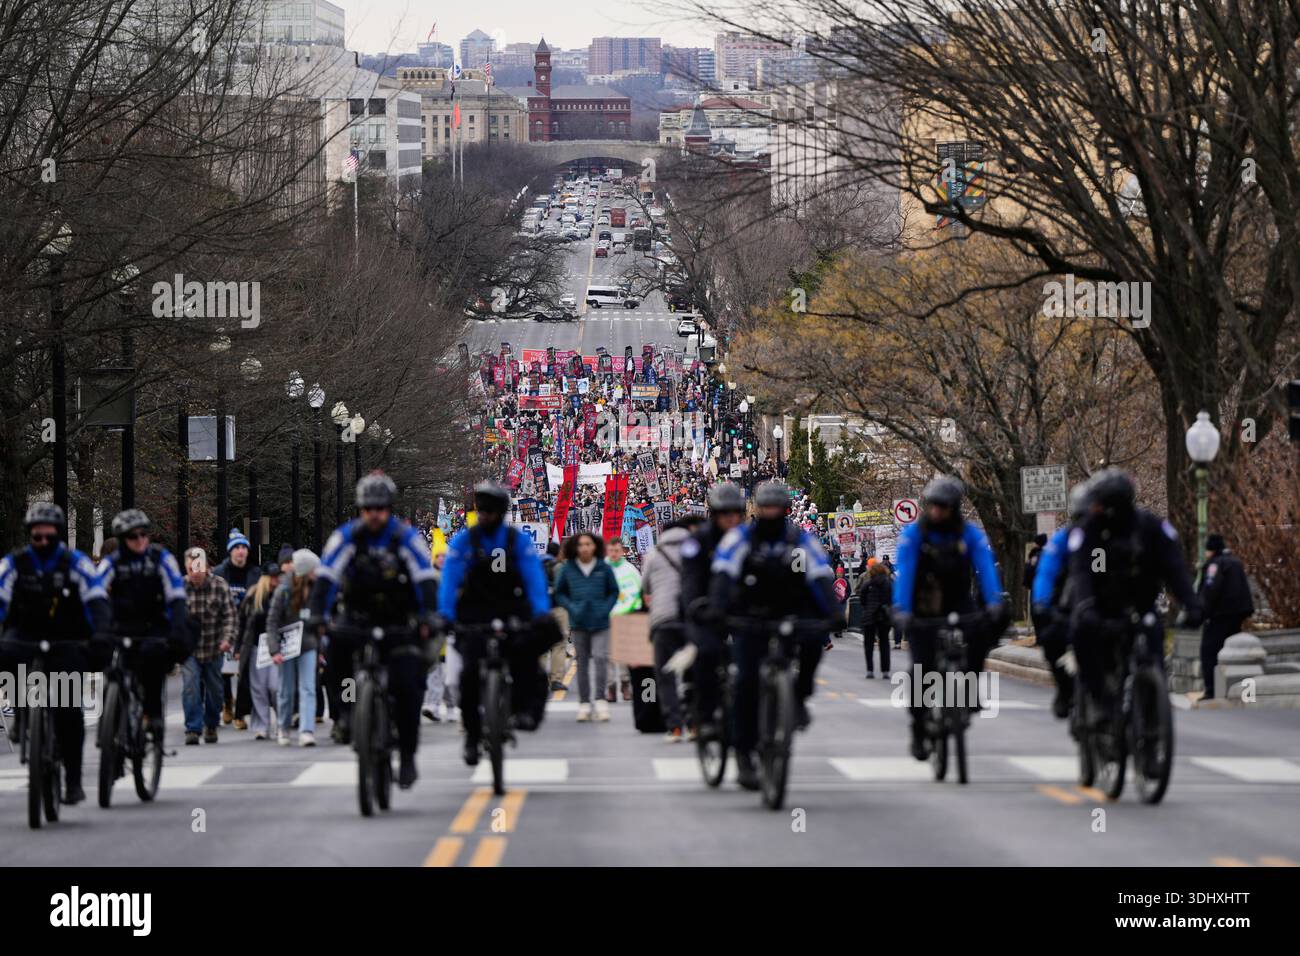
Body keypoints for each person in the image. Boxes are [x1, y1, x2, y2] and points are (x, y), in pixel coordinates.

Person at [309, 473, 439, 787]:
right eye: (369, 509)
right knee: (335, 654)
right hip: (358, 616)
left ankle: (407, 755)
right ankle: (346, 712)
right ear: (360, 509)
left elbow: (424, 577)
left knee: (409, 686)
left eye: (380, 509)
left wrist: (429, 616)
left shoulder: (405, 538)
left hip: (398, 619)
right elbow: (326, 576)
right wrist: (317, 615)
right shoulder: (347, 537)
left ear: (389, 509)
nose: (374, 515)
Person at [708, 482, 838, 791]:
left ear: (786, 510)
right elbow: (724, 574)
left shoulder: (799, 541)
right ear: (756, 510)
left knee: (812, 644)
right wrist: (718, 608)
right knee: (745, 682)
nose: (770, 513)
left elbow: (819, 574)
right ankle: (743, 752)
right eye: (765, 508)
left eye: (776, 508)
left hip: (791, 612)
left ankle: (800, 695)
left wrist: (832, 611)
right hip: (749, 615)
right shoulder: (741, 539)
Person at [437, 480, 558, 765]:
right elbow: (449, 580)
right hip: (474, 614)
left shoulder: (518, 541)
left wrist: (540, 612)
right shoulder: (465, 541)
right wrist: (445, 614)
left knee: (527, 662)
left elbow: (534, 580)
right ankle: (471, 733)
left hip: (512, 611)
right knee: (467, 677)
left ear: (502, 512)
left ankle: (524, 710)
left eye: (491, 510)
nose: (485, 515)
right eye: (482, 510)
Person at [1066, 468, 1201, 718]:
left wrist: (1191, 604)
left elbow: (1175, 568)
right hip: (1101, 607)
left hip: (1141, 605)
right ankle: (1099, 698)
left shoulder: (1152, 527)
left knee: (1152, 644)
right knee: (1083, 634)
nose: (1096, 510)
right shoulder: (1089, 531)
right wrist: (1085, 607)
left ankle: (1151, 709)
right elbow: (1081, 572)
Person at [0, 503, 111, 805]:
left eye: (50, 537)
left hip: (67, 639)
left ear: (59, 535)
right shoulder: (14, 563)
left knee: (68, 711)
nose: (44, 543)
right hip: (24, 635)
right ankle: (21, 715)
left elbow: (97, 599)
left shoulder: (76, 563)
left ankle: (72, 780)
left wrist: (101, 633)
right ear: (30, 536)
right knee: (8, 655)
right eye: (38, 538)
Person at [892, 477, 1006, 761]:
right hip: (923, 604)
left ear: (954, 508)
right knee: (921, 667)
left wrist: (994, 602)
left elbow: (985, 568)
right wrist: (902, 609)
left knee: (980, 634)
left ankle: (969, 688)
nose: (937, 512)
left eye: (943, 507)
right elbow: (905, 573)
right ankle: (919, 726)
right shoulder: (913, 536)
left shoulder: (969, 534)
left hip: (958, 600)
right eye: (933, 506)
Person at [99, 509, 190, 742]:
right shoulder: (112, 564)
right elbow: (95, 594)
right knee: (111, 668)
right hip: (122, 625)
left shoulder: (161, 559)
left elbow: (177, 596)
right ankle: (110, 723)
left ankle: (153, 714)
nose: (140, 540)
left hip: (153, 626)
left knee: (153, 661)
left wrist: (178, 629)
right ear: (122, 540)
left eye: (143, 534)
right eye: (132, 536)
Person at [1030, 483, 1092, 718]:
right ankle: (1065, 690)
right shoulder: (1063, 540)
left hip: (1102, 604)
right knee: (1052, 639)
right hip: (1069, 605)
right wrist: (1041, 603)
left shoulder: (1106, 540)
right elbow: (1046, 572)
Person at [641, 516, 702, 741]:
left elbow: (645, 586)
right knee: (693, 673)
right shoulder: (696, 551)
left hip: (662, 619)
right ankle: (695, 724)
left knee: (665, 675)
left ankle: (674, 726)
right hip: (691, 618)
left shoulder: (654, 555)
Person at [552, 532, 620, 723]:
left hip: (601, 622)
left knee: (600, 658)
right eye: (581, 544)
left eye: (588, 544)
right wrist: (572, 608)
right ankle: (584, 703)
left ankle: (600, 700)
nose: (584, 548)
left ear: (595, 546)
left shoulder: (603, 568)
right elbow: (560, 592)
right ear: (575, 547)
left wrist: (605, 608)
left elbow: (613, 591)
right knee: (581, 663)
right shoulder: (568, 569)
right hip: (579, 623)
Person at [181, 547, 237, 745]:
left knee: (215, 691)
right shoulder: (180, 588)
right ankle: (193, 728)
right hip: (190, 650)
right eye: (191, 569)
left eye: (199, 567)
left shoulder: (219, 585)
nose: (195, 573)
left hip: (214, 646)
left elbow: (230, 615)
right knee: (190, 687)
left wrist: (227, 639)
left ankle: (211, 724)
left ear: (206, 567)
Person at [268, 550, 320, 746]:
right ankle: (283, 726)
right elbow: (272, 622)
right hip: (286, 646)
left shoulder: (315, 590)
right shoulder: (284, 591)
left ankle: (306, 730)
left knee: (308, 687)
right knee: (286, 689)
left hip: (307, 643)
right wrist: (274, 650)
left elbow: (320, 617)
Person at [1196, 534, 1253, 699]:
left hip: (1219, 616)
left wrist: (1200, 614)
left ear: (1211, 550)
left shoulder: (1215, 565)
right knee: (1232, 651)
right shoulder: (1235, 562)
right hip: (1238, 615)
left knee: (1208, 651)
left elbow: (1210, 591)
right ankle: (1236, 690)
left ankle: (1211, 690)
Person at [213, 528, 260, 727]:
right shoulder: (220, 573)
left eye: (243, 548)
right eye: (237, 548)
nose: (241, 551)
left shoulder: (254, 573)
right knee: (224, 671)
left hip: (246, 628)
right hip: (224, 628)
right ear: (230, 551)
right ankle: (227, 703)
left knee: (244, 672)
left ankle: (241, 713)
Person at [239, 568, 281, 739]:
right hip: (256, 646)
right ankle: (261, 726)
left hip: (277, 647)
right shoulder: (254, 596)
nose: (275, 580)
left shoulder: (281, 594)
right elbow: (243, 621)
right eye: (273, 577)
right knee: (258, 689)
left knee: (275, 687)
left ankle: (282, 721)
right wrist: (237, 648)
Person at [605, 537, 642, 701]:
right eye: (611, 550)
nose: (614, 554)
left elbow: (639, 590)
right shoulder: (601, 568)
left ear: (622, 551)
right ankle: (611, 687)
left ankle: (625, 684)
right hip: (605, 617)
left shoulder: (630, 570)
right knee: (607, 654)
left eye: (617, 550)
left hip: (625, 616)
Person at [541, 541, 569, 692]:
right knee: (559, 644)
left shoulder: (537, 565)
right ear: (558, 552)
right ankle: (556, 679)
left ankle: (540, 678)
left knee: (541, 645)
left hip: (542, 609)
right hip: (558, 608)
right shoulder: (560, 567)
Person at [858, 558, 892, 678]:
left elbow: (862, 599)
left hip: (869, 616)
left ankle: (870, 670)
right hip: (884, 616)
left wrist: (868, 608)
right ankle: (885, 671)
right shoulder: (888, 584)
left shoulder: (868, 584)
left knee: (868, 644)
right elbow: (891, 600)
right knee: (884, 644)